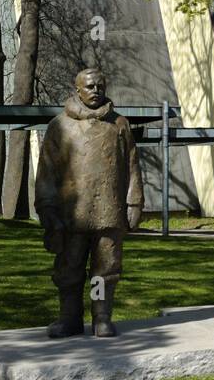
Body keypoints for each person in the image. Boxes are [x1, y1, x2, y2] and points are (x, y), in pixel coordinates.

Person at [35, 68, 144, 338]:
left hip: (109, 211)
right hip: (71, 213)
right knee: (69, 268)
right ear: (78, 90)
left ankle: (101, 318)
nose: (95, 91)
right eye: (90, 86)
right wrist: (46, 207)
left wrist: (134, 203)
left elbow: (131, 165)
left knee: (105, 268)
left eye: (99, 86)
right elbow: (47, 170)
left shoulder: (119, 124)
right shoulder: (59, 126)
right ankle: (69, 318)